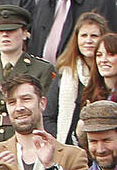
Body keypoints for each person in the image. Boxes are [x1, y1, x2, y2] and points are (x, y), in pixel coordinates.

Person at [0, 5, 56, 162]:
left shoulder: (42, 69)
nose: (5, 35)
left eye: (12, 30)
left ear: (25, 33)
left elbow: (44, 113)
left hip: (27, 148)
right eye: (0, 31)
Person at [45, 13, 107, 148]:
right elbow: (48, 117)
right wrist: (65, 142)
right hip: (68, 149)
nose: (88, 41)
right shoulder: (65, 73)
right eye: (84, 36)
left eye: (94, 36)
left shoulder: (109, 74)